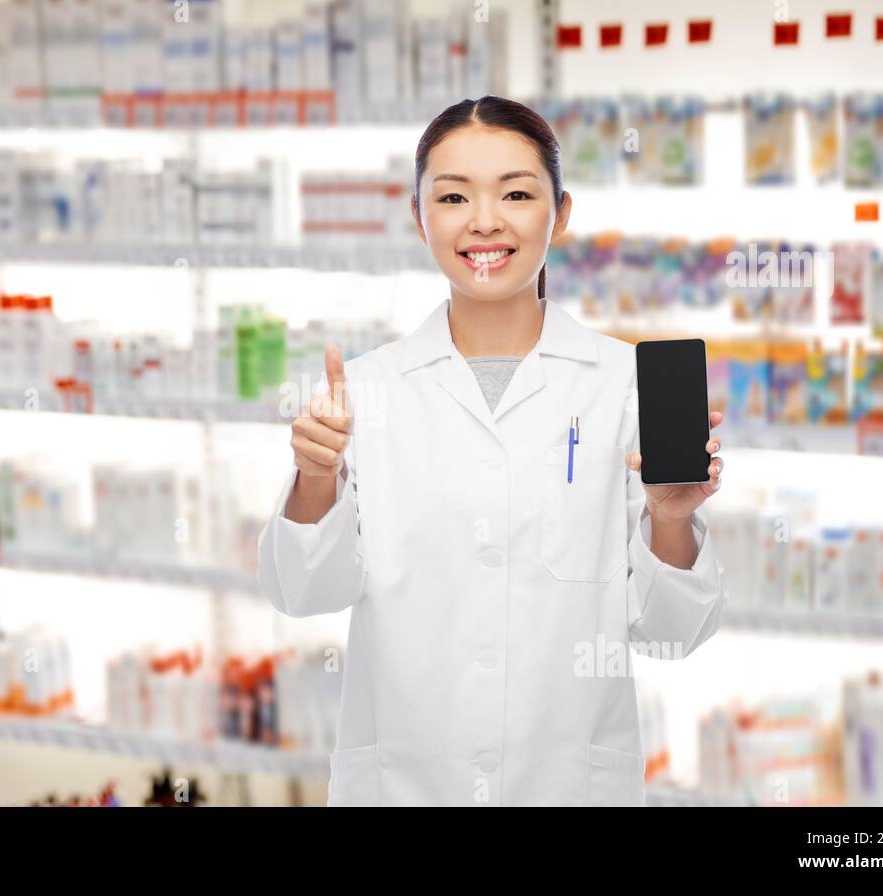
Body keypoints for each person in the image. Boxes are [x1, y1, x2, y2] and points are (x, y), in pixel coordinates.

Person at [257, 96, 729, 806]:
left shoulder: (625, 387)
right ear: (420, 218)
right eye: (453, 196)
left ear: (560, 213)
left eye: (516, 193)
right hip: (407, 786)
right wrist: (315, 477)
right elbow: (302, 592)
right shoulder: (366, 390)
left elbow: (671, 634)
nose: (484, 221)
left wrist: (669, 519)